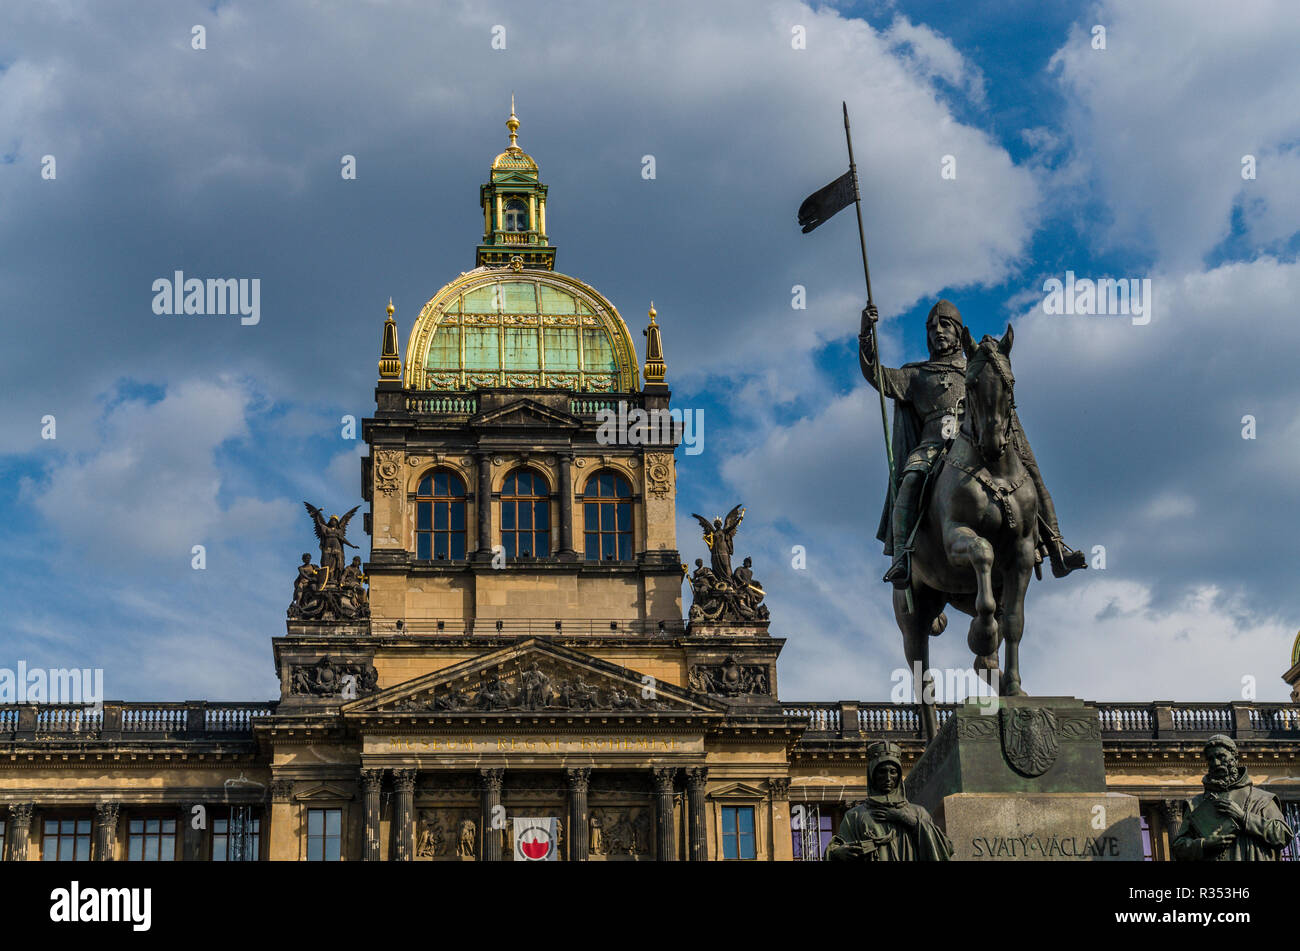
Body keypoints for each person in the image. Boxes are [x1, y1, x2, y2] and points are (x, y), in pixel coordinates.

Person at [860, 300, 1084, 585]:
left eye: (945, 326)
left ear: (958, 333)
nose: (938, 331)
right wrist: (866, 333)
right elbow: (876, 376)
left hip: (979, 440)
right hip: (932, 446)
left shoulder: (975, 366)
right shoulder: (916, 374)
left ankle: (1056, 547)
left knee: (1031, 474)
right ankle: (903, 556)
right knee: (911, 480)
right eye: (932, 328)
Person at [1172, 734, 1294, 861]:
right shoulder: (1196, 804)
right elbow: (1178, 849)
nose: (1216, 763)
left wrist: (1243, 817)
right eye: (1211, 759)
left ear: (1235, 759)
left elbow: (1283, 835)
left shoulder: (1261, 799)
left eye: (1221, 756)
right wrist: (1204, 844)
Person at [825, 740, 952, 861]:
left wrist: (911, 822)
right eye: (882, 772)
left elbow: (945, 848)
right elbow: (836, 850)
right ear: (872, 775)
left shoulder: (918, 812)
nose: (888, 777)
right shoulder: (854, 816)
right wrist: (838, 853)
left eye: (893, 772)